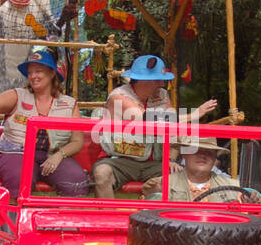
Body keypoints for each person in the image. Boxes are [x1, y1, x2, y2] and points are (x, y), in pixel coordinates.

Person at [0, 47, 88, 202]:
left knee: (76, 179)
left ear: (52, 73)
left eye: (38, 71)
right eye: (30, 73)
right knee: (20, 176)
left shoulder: (69, 104)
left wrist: (59, 155)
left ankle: (60, 217)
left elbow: (77, 141)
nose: (33, 76)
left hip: (52, 155)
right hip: (15, 153)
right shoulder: (17, 95)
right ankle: (13, 217)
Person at [92, 55, 218, 199]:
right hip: (120, 160)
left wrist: (171, 159)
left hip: (155, 163)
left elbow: (172, 129)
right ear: (143, 81)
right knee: (101, 174)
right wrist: (194, 115)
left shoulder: (162, 95)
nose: (162, 84)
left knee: (184, 178)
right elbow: (148, 119)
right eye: (158, 80)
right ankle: (110, 214)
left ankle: (155, 211)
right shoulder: (119, 97)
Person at [143, 137, 242, 202]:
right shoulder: (161, 185)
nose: (202, 156)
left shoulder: (234, 187)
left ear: (214, 157)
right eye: (195, 151)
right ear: (184, 154)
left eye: (208, 152)